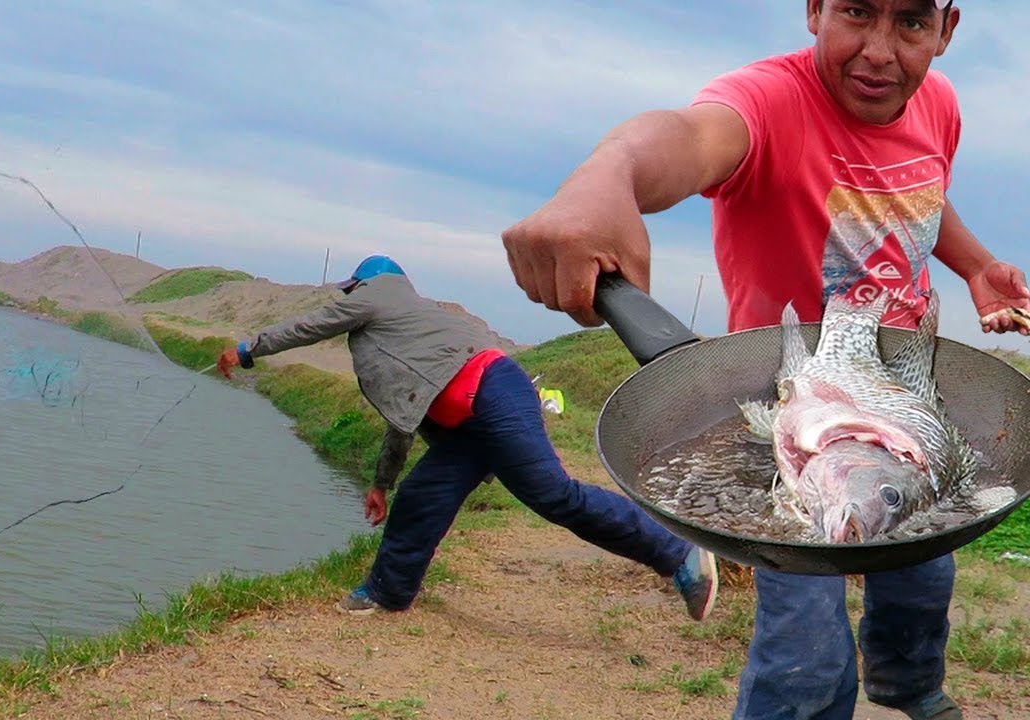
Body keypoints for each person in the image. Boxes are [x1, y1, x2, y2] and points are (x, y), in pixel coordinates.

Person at [501, 2, 1030, 719]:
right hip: (798, 397)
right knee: (805, 649)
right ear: (813, 10)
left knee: (921, 582)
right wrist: (611, 172)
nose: (879, 50)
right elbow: (688, 137)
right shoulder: (767, 102)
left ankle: (910, 687)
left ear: (945, 29)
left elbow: (923, 193)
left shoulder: (937, 100)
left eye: (909, 21)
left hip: (910, 402)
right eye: (855, 11)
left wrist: (974, 266)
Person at [216, 254, 719, 621]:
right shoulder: (397, 336)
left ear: (364, 285)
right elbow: (404, 418)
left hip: (495, 396)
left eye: (351, 289)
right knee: (420, 496)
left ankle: (679, 555)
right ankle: (388, 593)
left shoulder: (383, 292)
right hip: (466, 427)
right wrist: (382, 485)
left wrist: (248, 348)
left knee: (554, 496)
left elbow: (312, 324)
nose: (345, 298)